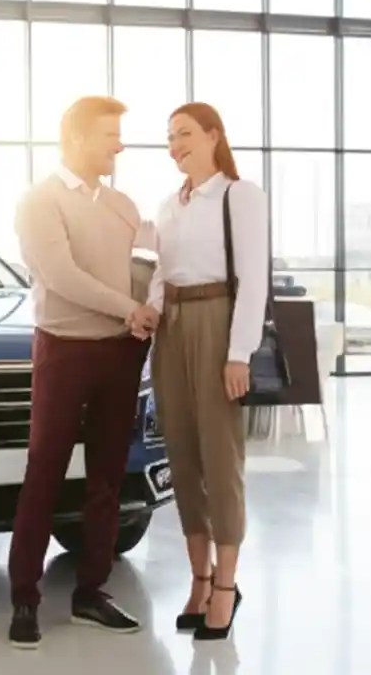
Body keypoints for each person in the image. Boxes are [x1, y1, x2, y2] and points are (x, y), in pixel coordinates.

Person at [6, 95, 154, 649]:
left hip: (121, 352)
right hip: (64, 350)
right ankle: (25, 598)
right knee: (44, 471)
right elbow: (60, 275)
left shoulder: (124, 205)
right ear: (76, 139)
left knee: (108, 478)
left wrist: (146, 308)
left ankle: (91, 591)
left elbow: (144, 269)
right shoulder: (40, 201)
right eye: (110, 135)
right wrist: (127, 307)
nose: (120, 144)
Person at [127, 102, 269, 641]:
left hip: (217, 323)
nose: (174, 145)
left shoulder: (241, 196)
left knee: (221, 457)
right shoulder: (169, 204)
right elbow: (161, 273)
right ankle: (200, 577)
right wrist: (152, 316)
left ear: (214, 135)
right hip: (173, 329)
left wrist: (239, 353)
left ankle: (227, 587)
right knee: (182, 456)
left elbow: (253, 281)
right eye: (169, 137)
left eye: (184, 134)